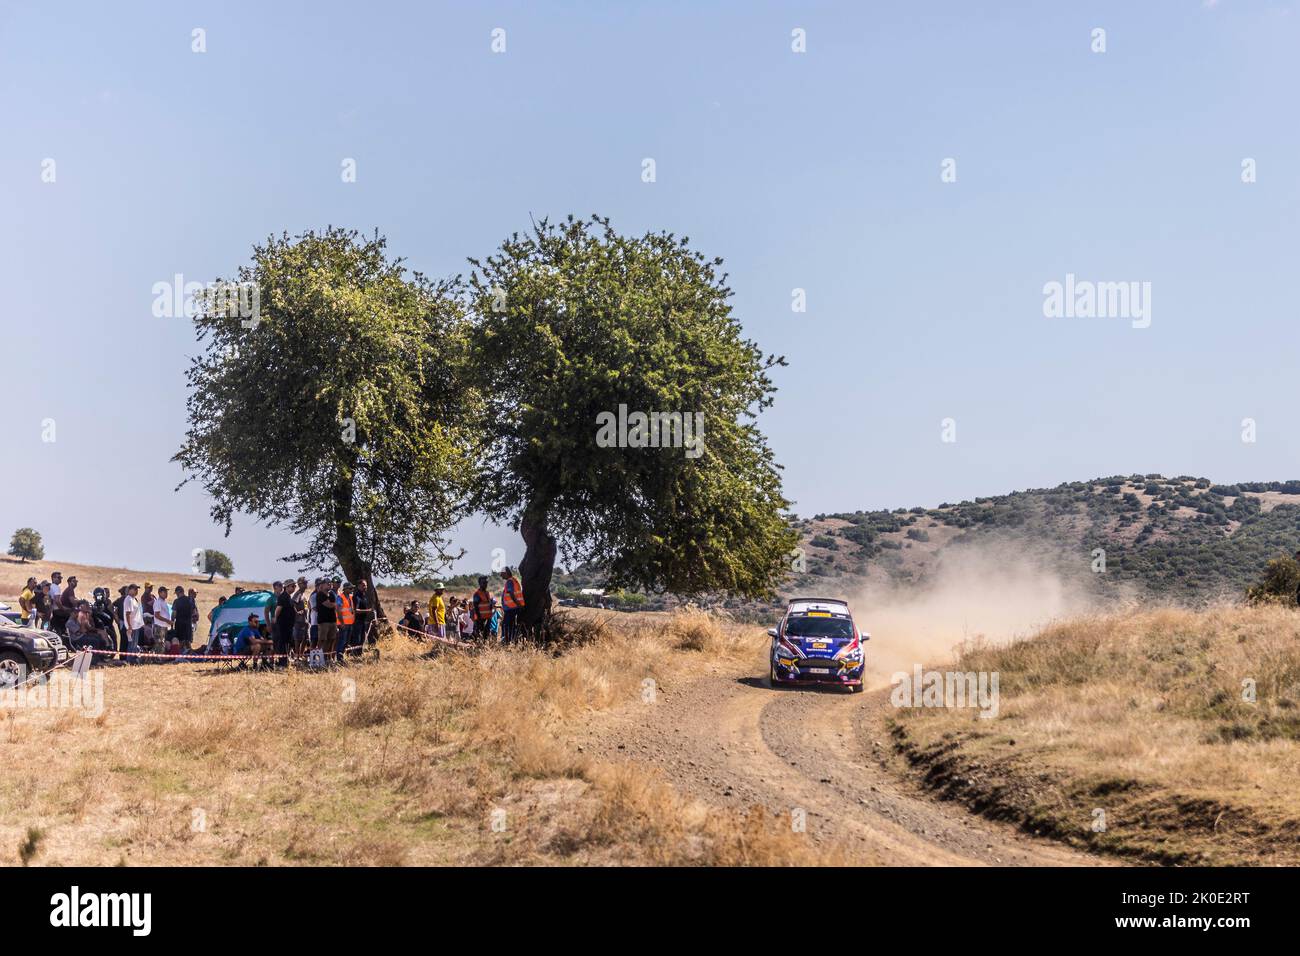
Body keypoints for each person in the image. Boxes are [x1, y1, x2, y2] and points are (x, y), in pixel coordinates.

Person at [272, 580, 296, 665]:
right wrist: (275, 617)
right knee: (282, 643)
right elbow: (278, 609)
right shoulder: (283, 597)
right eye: (292, 586)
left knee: (287, 643)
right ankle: (282, 662)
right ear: (287, 587)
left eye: (295, 586)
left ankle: (285, 660)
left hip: (288, 625)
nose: (294, 588)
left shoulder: (288, 596)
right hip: (283, 625)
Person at [500, 568, 525, 644]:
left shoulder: (510, 581)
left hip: (511, 608)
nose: (501, 576)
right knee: (511, 626)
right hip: (513, 608)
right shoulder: (514, 580)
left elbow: (511, 594)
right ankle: (512, 641)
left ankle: (507, 642)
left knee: (507, 625)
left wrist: (518, 605)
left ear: (506, 573)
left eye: (502, 574)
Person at [315, 579, 338, 658]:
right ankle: (319, 658)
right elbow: (329, 605)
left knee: (331, 639)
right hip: (323, 621)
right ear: (323, 585)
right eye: (327, 583)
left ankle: (328, 657)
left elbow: (334, 604)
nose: (329, 584)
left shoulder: (331, 594)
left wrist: (334, 604)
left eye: (330, 583)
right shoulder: (320, 594)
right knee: (322, 640)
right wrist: (335, 604)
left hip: (333, 620)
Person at [122, 583, 145, 661]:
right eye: (135, 589)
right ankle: (129, 660)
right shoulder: (128, 599)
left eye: (137, 589)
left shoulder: (133, 599)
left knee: (134, 645)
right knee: (131, 645)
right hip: (132, 626)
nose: (136, 591)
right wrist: (129, 626)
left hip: (135, 626)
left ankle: (132, 659)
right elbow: (127, 614)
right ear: (130, 590)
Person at [336, 582, 356, 662]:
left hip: (350, 623)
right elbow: (338, 611)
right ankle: (339, 659)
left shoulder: (350, 597)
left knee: (346, 642)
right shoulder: (340, 597)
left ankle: (342, 657)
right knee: (342, 641)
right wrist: (342, 623)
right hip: (343, 624)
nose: (352, 590)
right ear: (345, 589)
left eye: (352, 588)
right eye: (350, 588)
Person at [171, 586, 194, 651]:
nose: (176, 595)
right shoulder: (190, 600)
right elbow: (194, 612)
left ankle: (179, 657)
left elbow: (174, 614)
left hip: (179, 625)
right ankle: (190, 656)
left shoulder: (176, 601)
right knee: (188, 642)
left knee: (180, 642)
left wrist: (172, 623)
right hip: (188, 624)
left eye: (176, 593)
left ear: (178, 592)